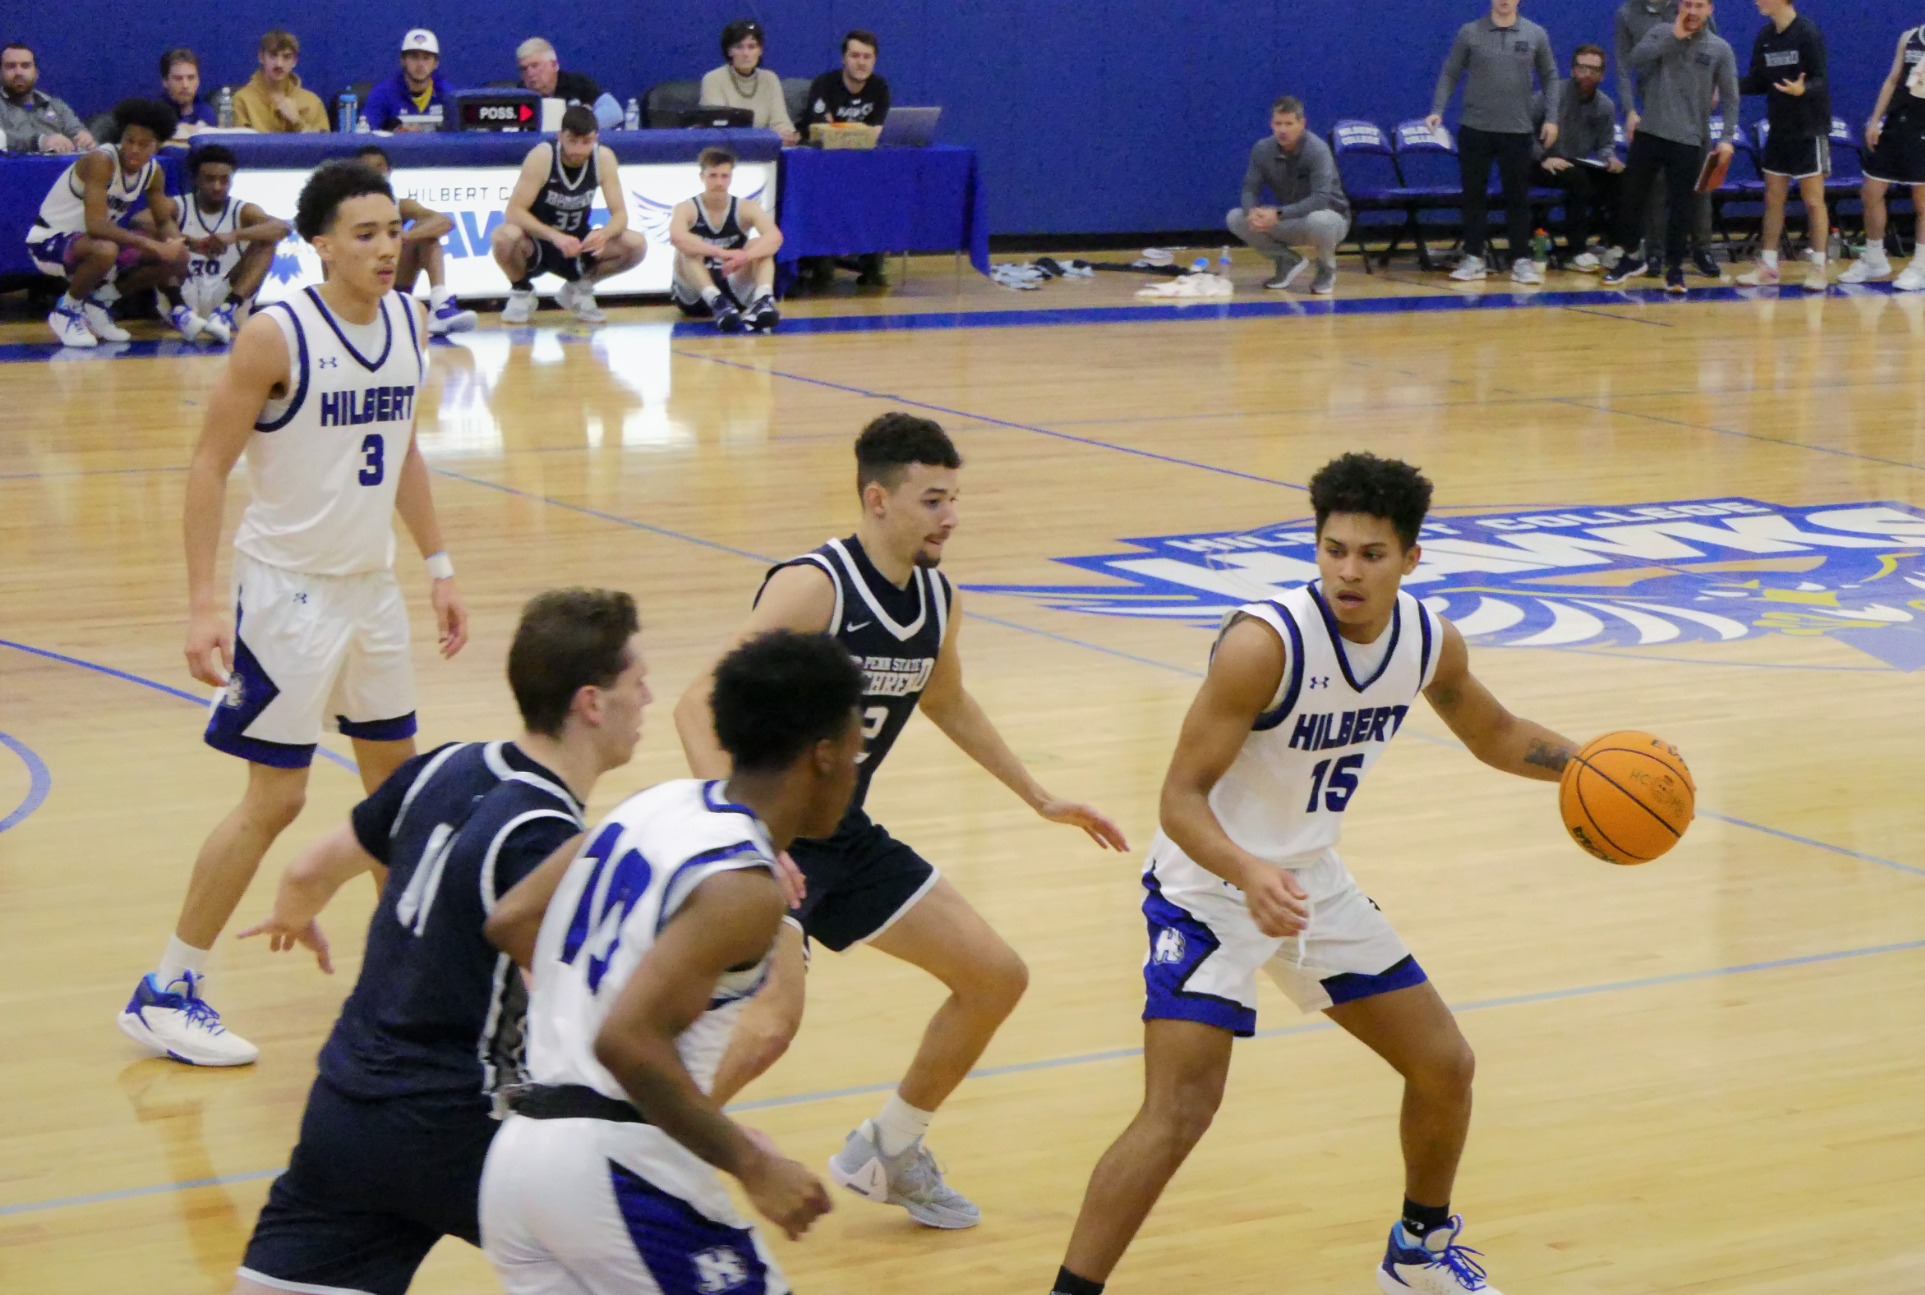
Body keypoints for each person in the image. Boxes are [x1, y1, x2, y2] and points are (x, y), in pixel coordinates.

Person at [1049, 453, 1586, 1295]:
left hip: (1307, 880)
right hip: (1207, 884)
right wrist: (1247, 869)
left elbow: (1496, 732)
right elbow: (1179, 800)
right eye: (1333, 548)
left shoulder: (1427, 642)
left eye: (1371, 554)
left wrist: (1596, 768)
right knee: (1181, 1109)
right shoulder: (1262, 646)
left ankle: (1417, 1250)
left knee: (1445, 1064)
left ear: (1411, 559)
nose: (1347, 569)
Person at [673, 413, 1127, 1230]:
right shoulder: (815, 585)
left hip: (844, 835)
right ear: (877, 500)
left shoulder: (937, 597)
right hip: (762, 834)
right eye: (932, 499)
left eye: (954, 498)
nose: (949, 516)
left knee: (995, 977)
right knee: (773, 1024)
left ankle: (889, 1147)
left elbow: (945, 698)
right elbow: (694, 702)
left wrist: (1039, 795)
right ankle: (638, 1154)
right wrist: (741, 838)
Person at [118, 159, 471, 1068]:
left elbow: (403, 450)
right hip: (288, 594)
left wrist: (439, 564)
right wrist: (203, 605)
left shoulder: (408, 321)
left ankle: (418, 993)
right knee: (276, 795)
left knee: (397, 797)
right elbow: (205, 467)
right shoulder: (276, 335)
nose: (388, 247)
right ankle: (167, 986)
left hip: (373, 588)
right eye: (366, 234)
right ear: (319, 245)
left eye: (394, 230)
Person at [228, 589, 648, 1295]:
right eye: (639, 684)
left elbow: (307, 869)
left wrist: (294, 918)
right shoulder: (546, 840)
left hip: (344, 1108)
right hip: (460, 1125)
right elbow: (575, 1012)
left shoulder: (443, 765)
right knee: (649, 1264)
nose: (651, 699)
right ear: (591, 703)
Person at [479, 629, 860, 1294]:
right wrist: (751, 1163)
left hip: (519, 1159)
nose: (858, 769)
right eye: (858, 749)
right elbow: (626, 1040)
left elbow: (511, 915)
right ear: (823, 756)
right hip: (615, 1168)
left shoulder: (652, 805)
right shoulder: (744, 886)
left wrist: (578, 1008)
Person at [1840, 0, 1925, 291]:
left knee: (1923, 200)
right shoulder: (1909, 36)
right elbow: (1893, 80)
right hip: (1896, 122)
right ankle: (1875, 257)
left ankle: (1919, 268)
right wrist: (1875, 119)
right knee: (1871, 190)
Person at [24, 98, 186, 349]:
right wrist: (154, 245)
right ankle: (65, 311)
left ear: (157, 146)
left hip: (91, 244)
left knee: (172, 259)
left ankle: (98, 304)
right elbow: (96, 226)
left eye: (143, 144)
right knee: (106, 248)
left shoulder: (154, 172)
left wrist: (175, 245)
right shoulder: (101, 161)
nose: (134, 149)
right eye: (129, 140)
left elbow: (163, 219)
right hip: (49, 240)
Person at [1603, 0, 1739, 294]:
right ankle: (1630, 257)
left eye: (1699, 5)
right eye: (1687, 4)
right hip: (1650, 131)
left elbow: (1730, 97)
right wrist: (1672, 36)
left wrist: (1727, 137)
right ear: (1679, 7)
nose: (1692, 11)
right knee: (1630, 197)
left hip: (1688, 138)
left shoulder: (1719, 48)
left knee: (1682, 206)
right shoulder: (1660, 31)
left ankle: (1675, 269)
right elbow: (1634, 59)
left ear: (1709, 10)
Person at [1427, 0, 1561, 284]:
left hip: (1518, 130)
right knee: (1474, 195)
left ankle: (1521, 260)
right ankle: (1474, 257)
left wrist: (1551, 118)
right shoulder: (1469, 32)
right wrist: (1437, 110)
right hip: (1476, 128)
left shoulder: (1536, 33)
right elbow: (1450, 71)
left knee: (1518, 197)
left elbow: (1550, 77)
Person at [493, 105, 647, 325]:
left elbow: (621, 215)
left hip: (577, 243)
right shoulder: (542, 156)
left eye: (586, 142)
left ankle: (579, 289)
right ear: (560, 136)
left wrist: (604, 233)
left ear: (596, 138)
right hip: (537, 242)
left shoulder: (603, 158)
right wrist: (555, 236)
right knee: (504, 236)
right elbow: (514, 212)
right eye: (572, 141)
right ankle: (521, 291)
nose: (578, 149)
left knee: (636, 244)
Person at [1735, 0, 1833, 291]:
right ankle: (1767, 264)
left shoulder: (1807, 32)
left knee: (1813, 201)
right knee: (1773, 197)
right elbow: (1757, 82)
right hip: (1779, 129)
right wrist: (1726, 86)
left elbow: (1821, 80)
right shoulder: (1765, 37)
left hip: (1809, 128)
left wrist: (1804, 89)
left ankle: (1819, 267)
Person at [158, 143, 288, 345]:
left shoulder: (243, 210)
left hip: (225, 292)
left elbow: (282, 228)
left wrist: (233, 236)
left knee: (266, 242)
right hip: (185, 287)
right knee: (161, 239)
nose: (217, 186)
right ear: (196, 179)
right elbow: (140, 221)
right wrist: (187, 241)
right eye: (210, 179)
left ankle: (226, 311)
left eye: (224, 179)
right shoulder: (177, 205)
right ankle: (178, 309)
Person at [797, 31, 893, 289]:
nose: (861, 62)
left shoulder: (880, 87)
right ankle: (820, 261)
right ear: (843, 59)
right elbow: (819, 129)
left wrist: (841, 129)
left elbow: (876, 133)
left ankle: (872, 263)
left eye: (867, 57)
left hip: (863, 167)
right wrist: (856, 132)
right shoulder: (824, 84)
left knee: (884, 191)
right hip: (824, 167)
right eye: (855, 56)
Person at [1227, 96, 1351, 295]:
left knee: (1320, 220)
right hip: (1291, 218)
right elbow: (1250, 188)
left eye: (1289, 124)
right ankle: (1286, 261)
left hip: (1330, 218)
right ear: (1271, 124)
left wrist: (1277, 213)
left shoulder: (1317, 149)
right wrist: (1252, 211)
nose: (1283, 130)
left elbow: (1320, 198)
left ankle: (1326, 270)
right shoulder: (1262, 149)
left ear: (1302, 123)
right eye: (1278, 123)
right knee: (1235, 217)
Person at [356, 145, 477, 334]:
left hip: (393, 283)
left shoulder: (401, 205)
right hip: (360, 286)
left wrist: (404, 237)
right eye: (367, 168)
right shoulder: (346, 208)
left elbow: (445, 222)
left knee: (427, 235)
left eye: (379, 167)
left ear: (389, 171)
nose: (374, 173)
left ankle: (440, 305)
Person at [670, 146, 784, 333]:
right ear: (702, 177)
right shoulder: (686, 207)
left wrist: (745, 257)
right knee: (687, 248)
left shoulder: (746, 207)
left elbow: (775, 237)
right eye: (713, 176)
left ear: (731, 178)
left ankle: (763, 300)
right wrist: (722, 253)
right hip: (696, 293)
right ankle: (716, 299)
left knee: (760, 245)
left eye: (724, 176)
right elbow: (677, 237)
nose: (719, 182)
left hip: (732, 286)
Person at [1535, 45, 1625, 271]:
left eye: (1594, 70)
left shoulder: (1605, 105)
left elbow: (1605, 144)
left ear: (1602, 75)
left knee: (1620, 178)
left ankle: (1615, 245)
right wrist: (1542, 158)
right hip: (1538, 162)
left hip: (1574, 163)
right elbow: (1522, 131)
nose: (1587, 74)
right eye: (1582, 68)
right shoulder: (1551, 94)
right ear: (1574, 69)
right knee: (1578, 179)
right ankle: (1577, 250)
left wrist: (1609, 158)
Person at [701, 19, 800, 144]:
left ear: (760, 51)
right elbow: (717, 128)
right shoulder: (713, 79)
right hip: (726, 152)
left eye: (752, 47)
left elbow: (781, 122)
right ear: (729, 51)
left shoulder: (770, 78)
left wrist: (787, 134)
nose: (746, 53)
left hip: (765, 150)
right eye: (739, 47)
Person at [515, 37, 621, 134]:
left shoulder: (577, 83)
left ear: (554, 65)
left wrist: (576, 128)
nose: (530, 73)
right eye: (524, 69)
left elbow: (614, 112)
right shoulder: (518, 94)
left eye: (535, 65)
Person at [1, 42, 92, 154]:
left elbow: (76, 130)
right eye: (11, 66)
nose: (18, 72)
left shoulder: (56, 105)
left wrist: (84, 138)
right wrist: (39, 142)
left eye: (25, 66)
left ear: (36, 73)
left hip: (58, 169)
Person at [234, 29, 330, 134]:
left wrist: (297, 122)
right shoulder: (242, 100)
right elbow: (235, 147)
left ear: (294, 61)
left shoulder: (312, 102)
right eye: (273, 55)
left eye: (286, 57)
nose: (279, 64)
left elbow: (323, 147)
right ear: (261, 57)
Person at [363, 29, 457, 132]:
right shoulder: (383, 93)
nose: (420, 64)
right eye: (414, 57)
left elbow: (458, 136)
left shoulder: (448, 94)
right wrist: (393, 133)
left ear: (436, 63)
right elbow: (366, 134)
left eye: (426, 58)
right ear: (403, 60)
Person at [158, 47, 215, 138]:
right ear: (165, 81)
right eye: (178, 78)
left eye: (191, 78)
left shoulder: (206, 112)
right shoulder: (156, 114)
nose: (185, 85)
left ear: (198, 81)